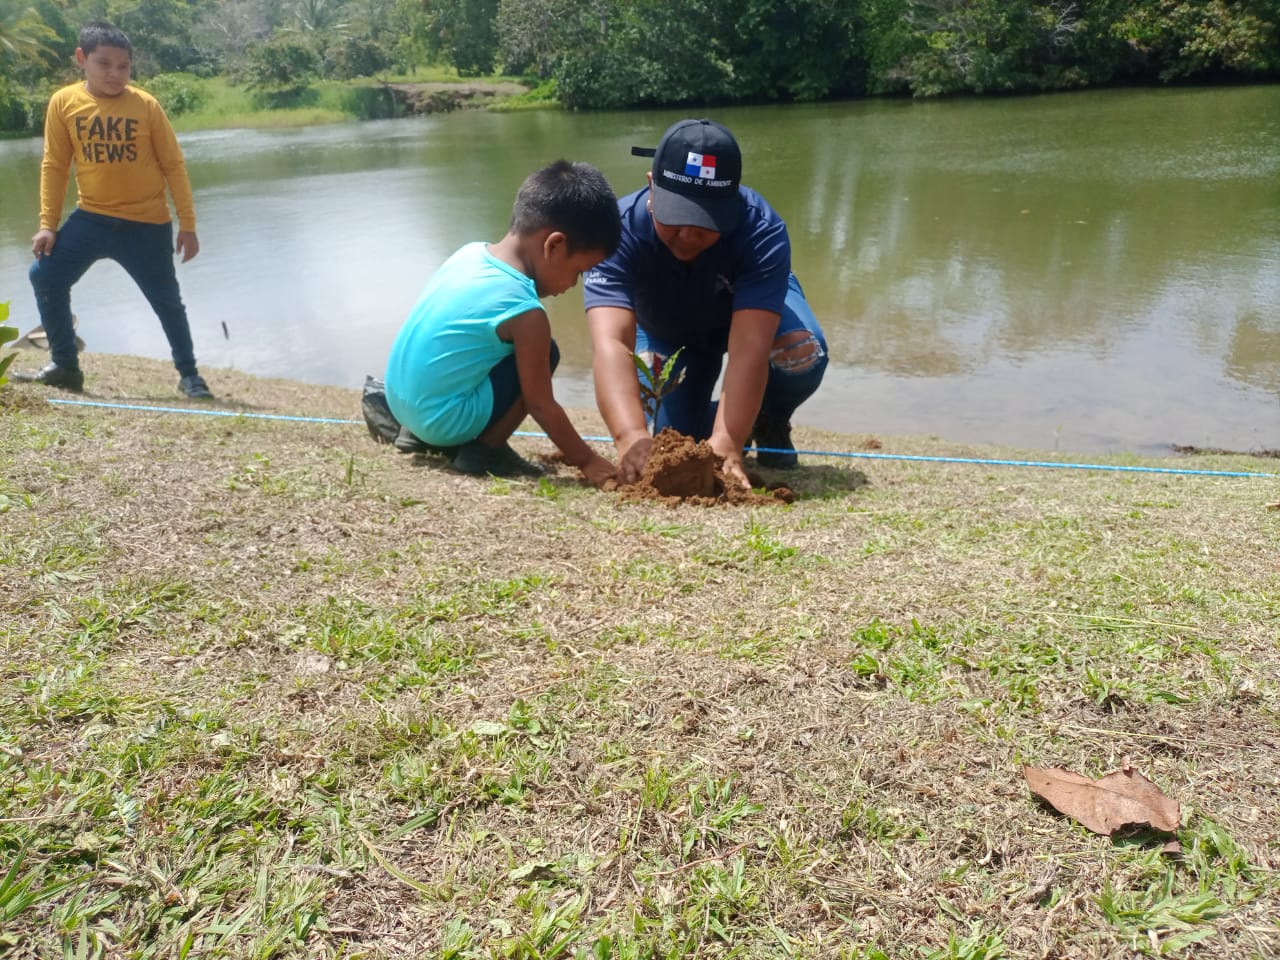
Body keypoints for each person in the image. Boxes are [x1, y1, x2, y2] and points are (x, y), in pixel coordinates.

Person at [583, 117, 828, 490]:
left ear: (732, 202)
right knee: (680, 440)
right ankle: (728, 420)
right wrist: (630, 436)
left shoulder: (761, 229)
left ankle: (769, 418)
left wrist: (728, 445)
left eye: (704, 222)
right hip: (671, 330)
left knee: (800, 353)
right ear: (652, 185)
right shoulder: (619, 231)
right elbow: (611, 342)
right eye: (675, 218)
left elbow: (750, 345)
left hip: (746, 314)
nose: (687, 235)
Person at [369, 159, 620, 485]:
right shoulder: (525, 311)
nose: (574, 285)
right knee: (548, 353)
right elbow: (540, 404)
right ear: (554, 244)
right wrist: (589, 461)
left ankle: (418, 435)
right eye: (579, 271)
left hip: (401, 405)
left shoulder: (468, 253)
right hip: (441, 421)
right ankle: (486, 451)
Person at [16, 20, 212, 399]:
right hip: (91, 218)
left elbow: (174, 165)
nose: (115, 74)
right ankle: (65, 367)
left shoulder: (146, 105)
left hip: (146, 223)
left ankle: (190, 376)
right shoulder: (64, 103)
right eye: (104, 64)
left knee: (167, 300)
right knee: (45, 275)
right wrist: (47, 225)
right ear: (81, 59)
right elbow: (55, 166)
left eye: (123, 66)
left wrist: (187, 224)